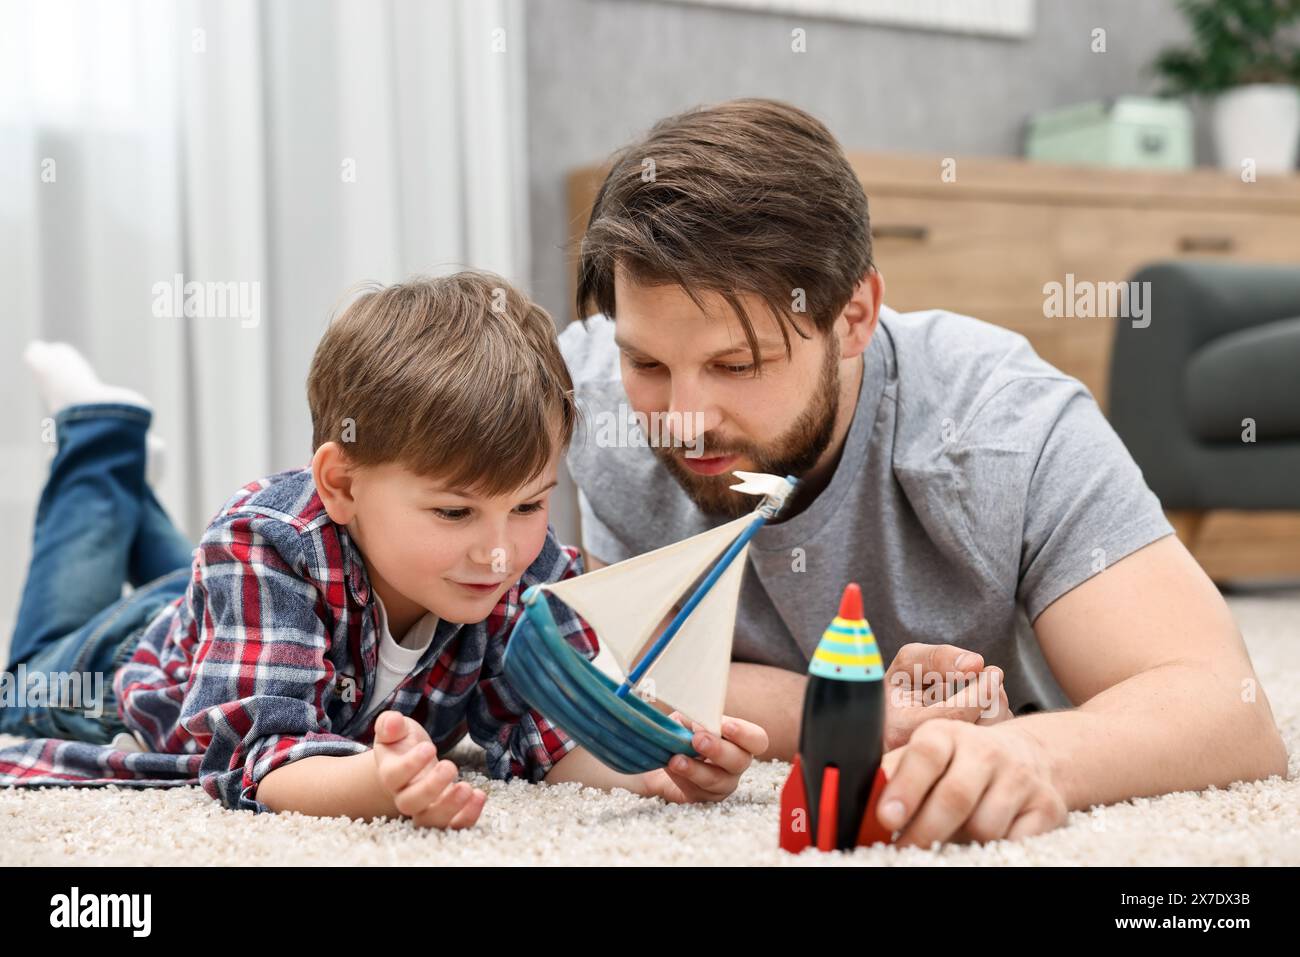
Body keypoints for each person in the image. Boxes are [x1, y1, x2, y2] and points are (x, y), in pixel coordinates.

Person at [561, 98, 1288, 845]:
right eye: (646, 361)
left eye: (736, 364)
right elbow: (592, 665)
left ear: (853, 317)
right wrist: (859, 709)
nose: (681, 415)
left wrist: (1029, 754)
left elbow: (1229, 712)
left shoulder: (1005, 426)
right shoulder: (581, 395)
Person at [0, 272, 770, 827]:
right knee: (27, 679)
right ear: (341, 483)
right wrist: (374, 781)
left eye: (531, 502)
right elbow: (260, 762)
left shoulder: (519, 569)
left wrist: (661, 768)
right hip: (129, 665)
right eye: (453, 510)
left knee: (197, 577)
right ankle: (100, 430)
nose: (499, 552)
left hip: (239, 613)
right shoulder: (263, 543)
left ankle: (133, 484)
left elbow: (551, 742)